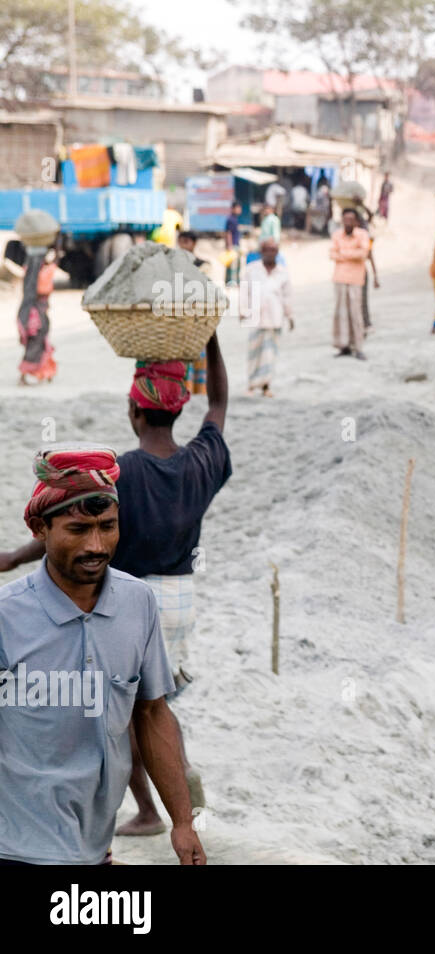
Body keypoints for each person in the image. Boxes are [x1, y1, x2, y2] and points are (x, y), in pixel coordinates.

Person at [0, 347, 231, 840]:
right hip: (181, 597)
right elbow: (219, 407)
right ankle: (177, 779)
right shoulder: (202, 462)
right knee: (154, 702)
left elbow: (74, 528)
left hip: (122, 599)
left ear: (132, 411)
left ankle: (149, 807)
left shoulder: (123, 473)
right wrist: (211, 343)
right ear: (181, 408)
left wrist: (14, 558)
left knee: (121, 710)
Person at [0, 446, 205, 864]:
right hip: (16, 844)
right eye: (78, 530)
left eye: (107, 526)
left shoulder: (138, 603)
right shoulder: (7, 615)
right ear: (40, 529)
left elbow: (151, 713)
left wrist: (182, 822)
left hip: (95, 843)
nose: (97, 544)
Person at [243, 238, 293, 397]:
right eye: (267, 250)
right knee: (254, 353)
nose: (270, 253)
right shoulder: (252, 270)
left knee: (270, 353)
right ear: (261, 252)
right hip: (255, 317)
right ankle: (251, 385)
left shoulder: (283, 272)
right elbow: (245, 291)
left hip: (275, 317)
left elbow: (287, 296)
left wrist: (290, 315)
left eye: (273, 250)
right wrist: (243, 310)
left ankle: (266, 385)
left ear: (277, 253)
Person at [330, 208, 369, 359]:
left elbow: (363, 254)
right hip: (339, 278)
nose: (348, 222)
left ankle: (358, 346)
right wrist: (351, 254)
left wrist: (343, 254)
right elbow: (332, 254)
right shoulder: (336, 235)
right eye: (345, 219)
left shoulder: (362, 235)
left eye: (350, 219)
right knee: (340, 314)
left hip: (355, 279)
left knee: (355, 313)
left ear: (356, 221)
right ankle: (343, 345)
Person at [17, 249, 57, 385]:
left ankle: (46, 374)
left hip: (39, 313)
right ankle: (30, 375)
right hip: (36, 315)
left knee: (40, 344)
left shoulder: (34, 272)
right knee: (36, 344)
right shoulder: (37, 274)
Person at [177, 232, 209, 396]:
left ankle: (197, 391)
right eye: (180, 242)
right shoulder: (172, 265)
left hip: (197, 319)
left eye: (186, 242)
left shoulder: (203, 265)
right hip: (179, 320)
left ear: (194, 244)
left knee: (198, 356)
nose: (183, 246)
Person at [224, 201, 243, 286]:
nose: (240, 210)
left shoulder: (235, 219)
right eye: (238, 208)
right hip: (233, 245)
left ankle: (235, 282)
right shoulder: (231, 219)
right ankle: (231, 282)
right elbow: (228, 233)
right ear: (233, 209)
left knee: (237, 264)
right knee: (233, 266)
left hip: (236, 244)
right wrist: (229, 245)